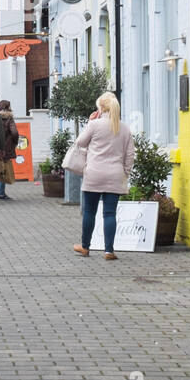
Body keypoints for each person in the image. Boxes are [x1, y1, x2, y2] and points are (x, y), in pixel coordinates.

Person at [72, 91, 134, 261]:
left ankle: (85, 247)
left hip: (94, 173)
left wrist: (91, 122)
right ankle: (109, 251)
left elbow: (80, 142)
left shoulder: (94, 125)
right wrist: (125, 172)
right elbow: (130, 155)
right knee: (110, 213)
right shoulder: (124, 128)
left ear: (100, 108)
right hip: (115, 175)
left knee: (90, 212)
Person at [0, 99, 20, 200]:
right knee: (3, 169)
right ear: (8, 107)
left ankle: (0, 192)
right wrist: (15, 141)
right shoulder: (9, 118)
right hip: (6, 147)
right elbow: (15, 133)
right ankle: (1, 193)